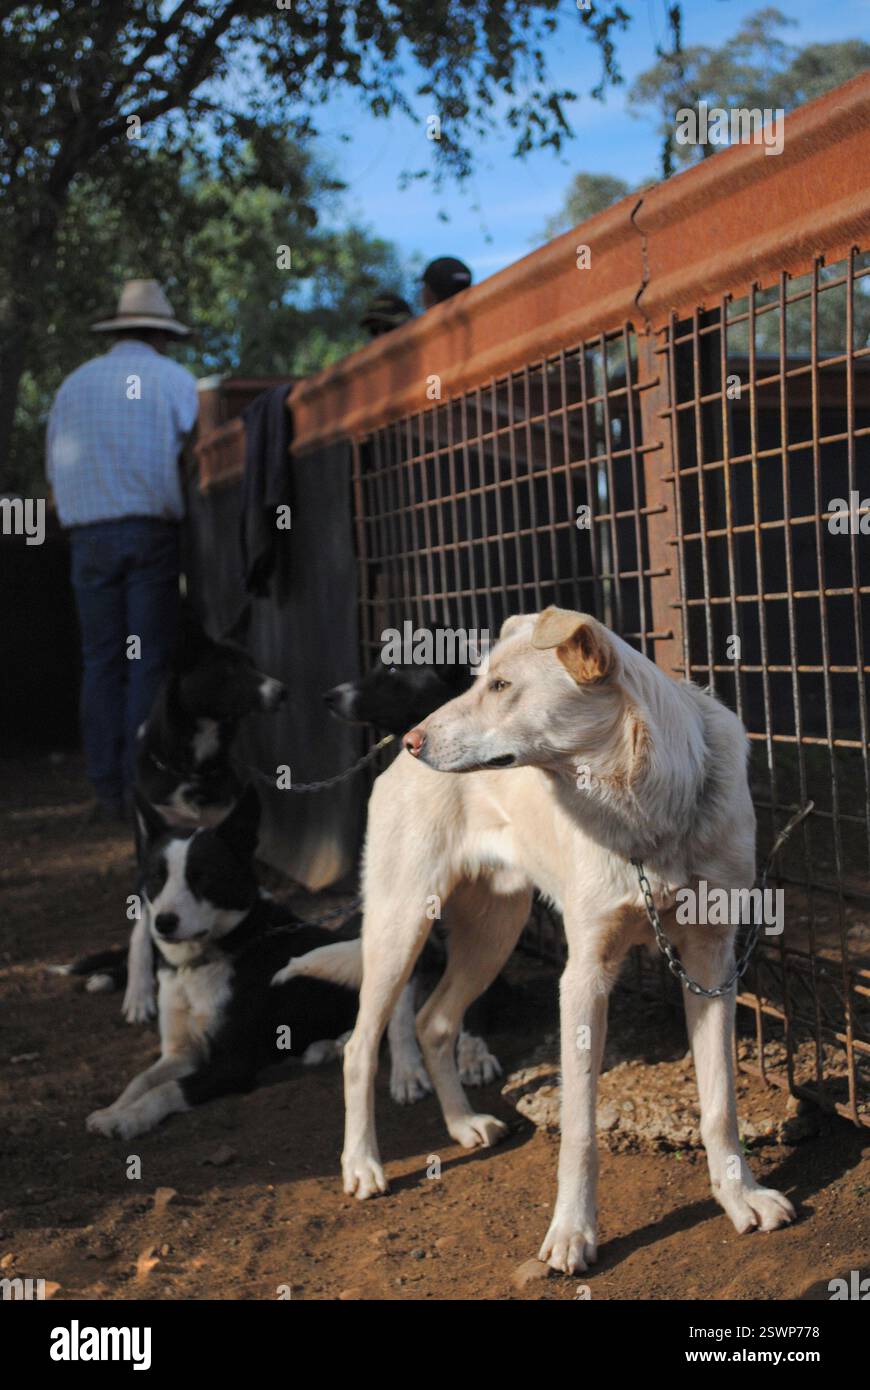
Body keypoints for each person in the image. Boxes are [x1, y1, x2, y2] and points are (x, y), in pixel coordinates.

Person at [46, 279, 199, 821]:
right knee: (147, 662)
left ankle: (106, 789)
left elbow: (54, 467)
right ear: (161, 335)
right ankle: (144, 784)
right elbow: (194, 452)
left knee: (102, 662)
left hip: (89, 536)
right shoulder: (174, 380)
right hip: (150, 533)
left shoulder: (74, 385)